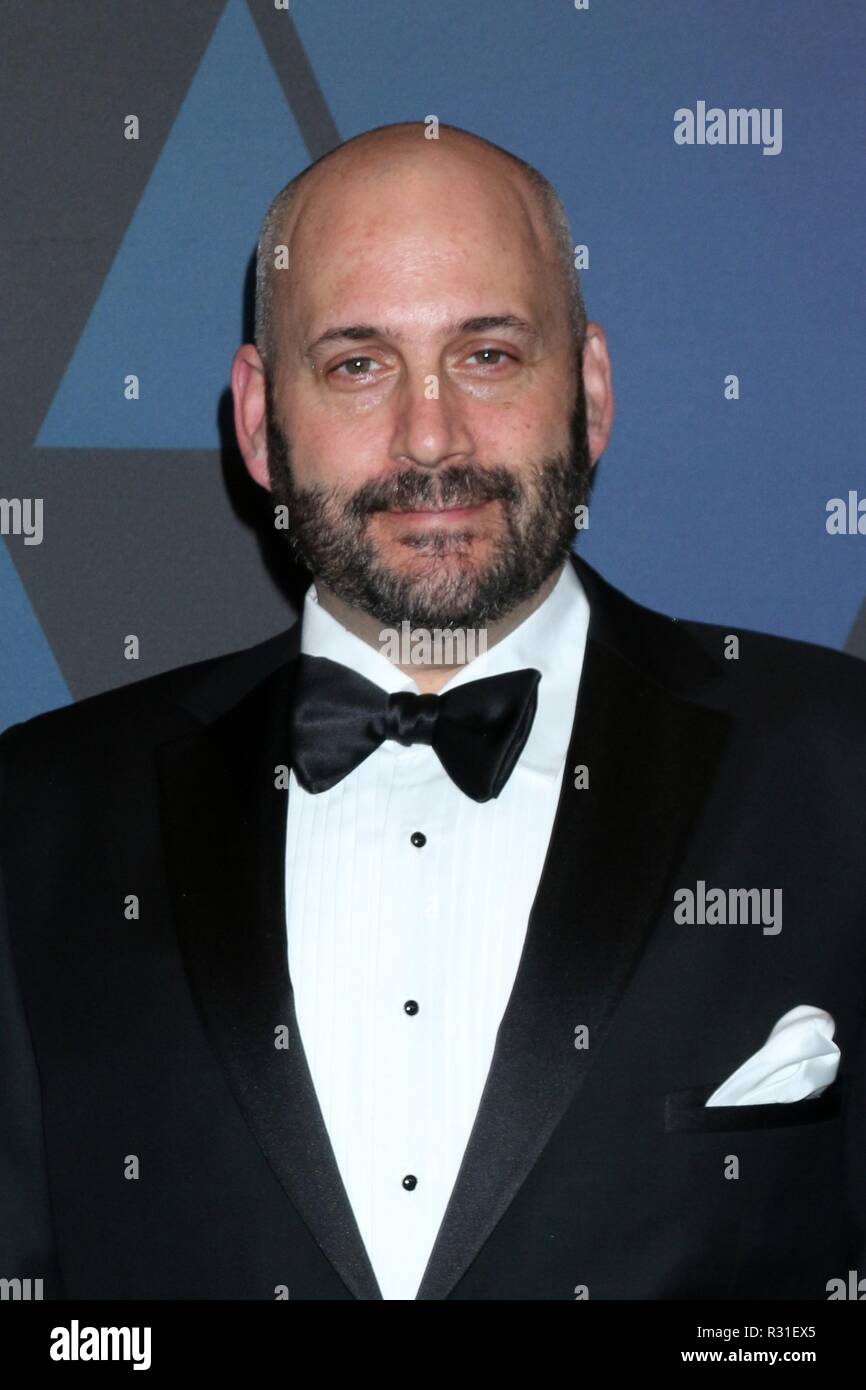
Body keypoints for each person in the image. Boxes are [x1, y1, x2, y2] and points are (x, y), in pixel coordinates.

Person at [1, 121, 864, 1302]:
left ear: (590, 390)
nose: (429, 437)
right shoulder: (37, 819)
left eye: (488, 355)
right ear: (259, 421)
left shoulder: (836, 769)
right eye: (357, 363)